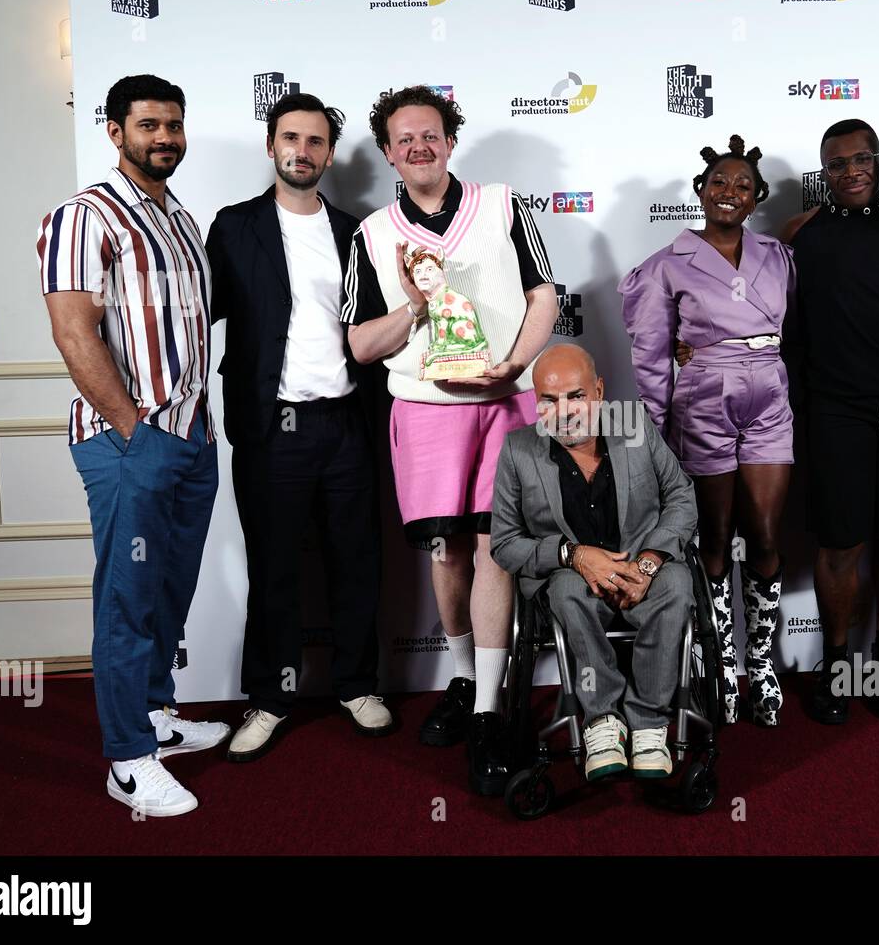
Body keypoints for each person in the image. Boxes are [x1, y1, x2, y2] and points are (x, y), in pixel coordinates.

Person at [341, 85, 558, 795]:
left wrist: (517, 364)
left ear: (450, 139)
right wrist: (415, 304)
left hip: (503, 401)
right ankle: (464, 681)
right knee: (448, 548)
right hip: (426, 410)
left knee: (499, 547)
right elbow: (363, 345)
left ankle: (494, 705)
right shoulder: (372, 236)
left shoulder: (501, 204)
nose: (418, 148)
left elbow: (544, 294)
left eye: (430, 134)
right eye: (404, 139)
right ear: (386, 153)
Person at [38, 74, 227, 817]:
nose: (165, 137)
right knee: (125, 600)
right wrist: (130, 427)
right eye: (148, 125)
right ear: (114, 131)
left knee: (167, 596)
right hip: (131, 445)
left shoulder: (179, 216)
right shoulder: (86, 215)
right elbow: (73, 330)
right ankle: (126, 759)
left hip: (191, 438)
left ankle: (153, 714)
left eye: (174, 125)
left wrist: (186, 433)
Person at [206, 93, 391, 761]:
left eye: (315, 141)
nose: (302, 151)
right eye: (291, 138)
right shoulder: (233, 228)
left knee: (358, 563)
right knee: (276, 569)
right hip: (270, 431)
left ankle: (356, 686)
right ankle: (270, 698)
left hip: (347, 425)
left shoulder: (358, 232)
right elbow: (200, 321)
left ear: (329, 154)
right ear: (270, 146)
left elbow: (376, 328)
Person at [620, 136, 794, 727]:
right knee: (714, 538)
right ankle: (721, 666)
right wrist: (658, 426)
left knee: (766, 536)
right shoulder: (667, 264)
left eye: (743, 185)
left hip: (769, 390)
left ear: (756, 198)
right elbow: (650, 353)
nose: (730, 192)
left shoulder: (778, 255)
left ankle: (762, 663)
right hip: (703, 400)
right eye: (719, 181)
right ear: (700, 190)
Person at [776, 119, 879, 725]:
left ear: (878, 161)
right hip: (833, 408)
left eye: (860, 160)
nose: (849, 172)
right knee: (841, 541)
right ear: (824, 174)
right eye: (836, 164)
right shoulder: (799, 235)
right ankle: (838, 667)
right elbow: (770, 321)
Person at [489, 345, 699, 780]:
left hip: (644, 568)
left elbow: (681, 496)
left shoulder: (636, 427)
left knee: (678, 585)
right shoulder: (518, 450)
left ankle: (648, 724)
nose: (563, 412)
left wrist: (648, 562)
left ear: (599, 392)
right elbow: (505, 543)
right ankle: (602, 720)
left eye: (575, 396)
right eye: (548, 400)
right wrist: (572, 554)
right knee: (564, 589)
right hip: (574, 581)